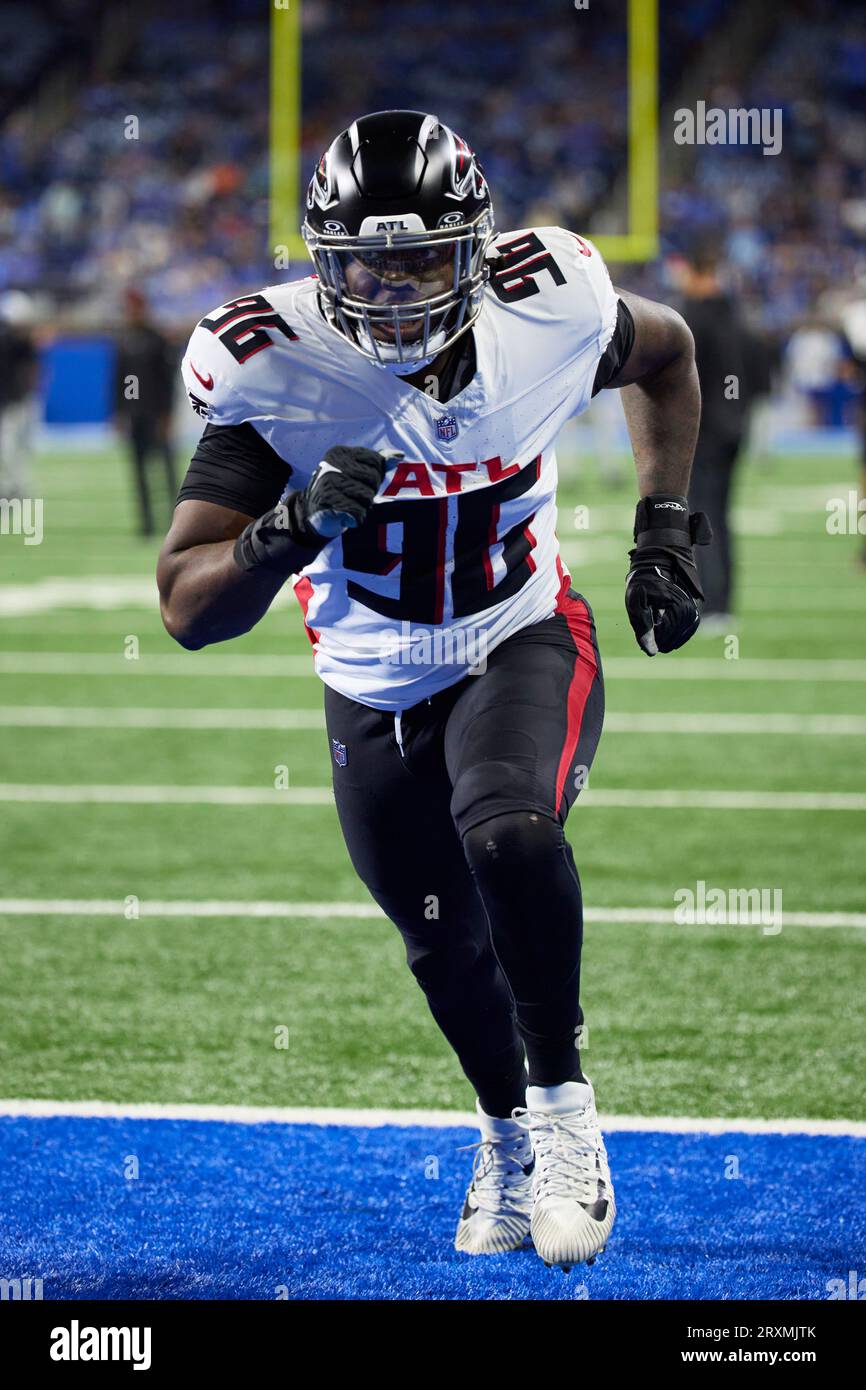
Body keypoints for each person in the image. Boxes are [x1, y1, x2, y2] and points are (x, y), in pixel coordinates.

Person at [157, 111, 708, 1270]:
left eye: (420, 256)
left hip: (519, 632)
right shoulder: (277, 365)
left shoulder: (544, 300)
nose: (394, 287)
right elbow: (187, 607)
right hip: (368, 678)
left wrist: (662, 535)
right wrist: (285, 529)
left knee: (507, 830)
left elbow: (665, 351)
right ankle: (503, 1137)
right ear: (321, 260)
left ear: (475, 244)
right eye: (364, 261)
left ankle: (564, 1113)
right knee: (438, 945)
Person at [678, 243, 751, 629]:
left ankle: (711, 605)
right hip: (734, 428)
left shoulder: (693, 316)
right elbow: (747, 373)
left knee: (702, 515)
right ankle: (722, 602)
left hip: (705, 430)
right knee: (720, 516)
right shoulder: (735, 314)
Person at [115, 289, 178, 536]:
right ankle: (147, 523)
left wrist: (168, 414)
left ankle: (177, 520)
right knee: (139, 470)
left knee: (166, 470)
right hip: (135, 414)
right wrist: (120, 412)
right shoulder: (124, 340)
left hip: (156, 414)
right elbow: (119, 380)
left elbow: (168, 380)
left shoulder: (158, 340)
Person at [0, 290, 40, 502]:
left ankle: (16, 489)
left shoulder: (23, 344)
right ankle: (12, 488)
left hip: (15, 401)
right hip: (10, 401)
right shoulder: (12, 342)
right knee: (9, 448)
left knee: (15, 448)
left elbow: (31, 373)